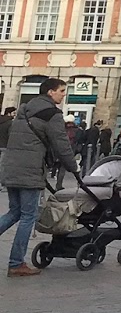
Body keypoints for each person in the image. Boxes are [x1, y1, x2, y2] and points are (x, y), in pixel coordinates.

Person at [1, 79, 78, 277]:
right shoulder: (52, 114)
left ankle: (16, 261)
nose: (63, 94)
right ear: (51, 92)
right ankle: (16, 263)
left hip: (11, 167)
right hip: (30, 170)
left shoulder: (23, 110)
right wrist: (73, 167)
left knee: (15, 211)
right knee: (29, 215)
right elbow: (62, 144)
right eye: (61, 91)